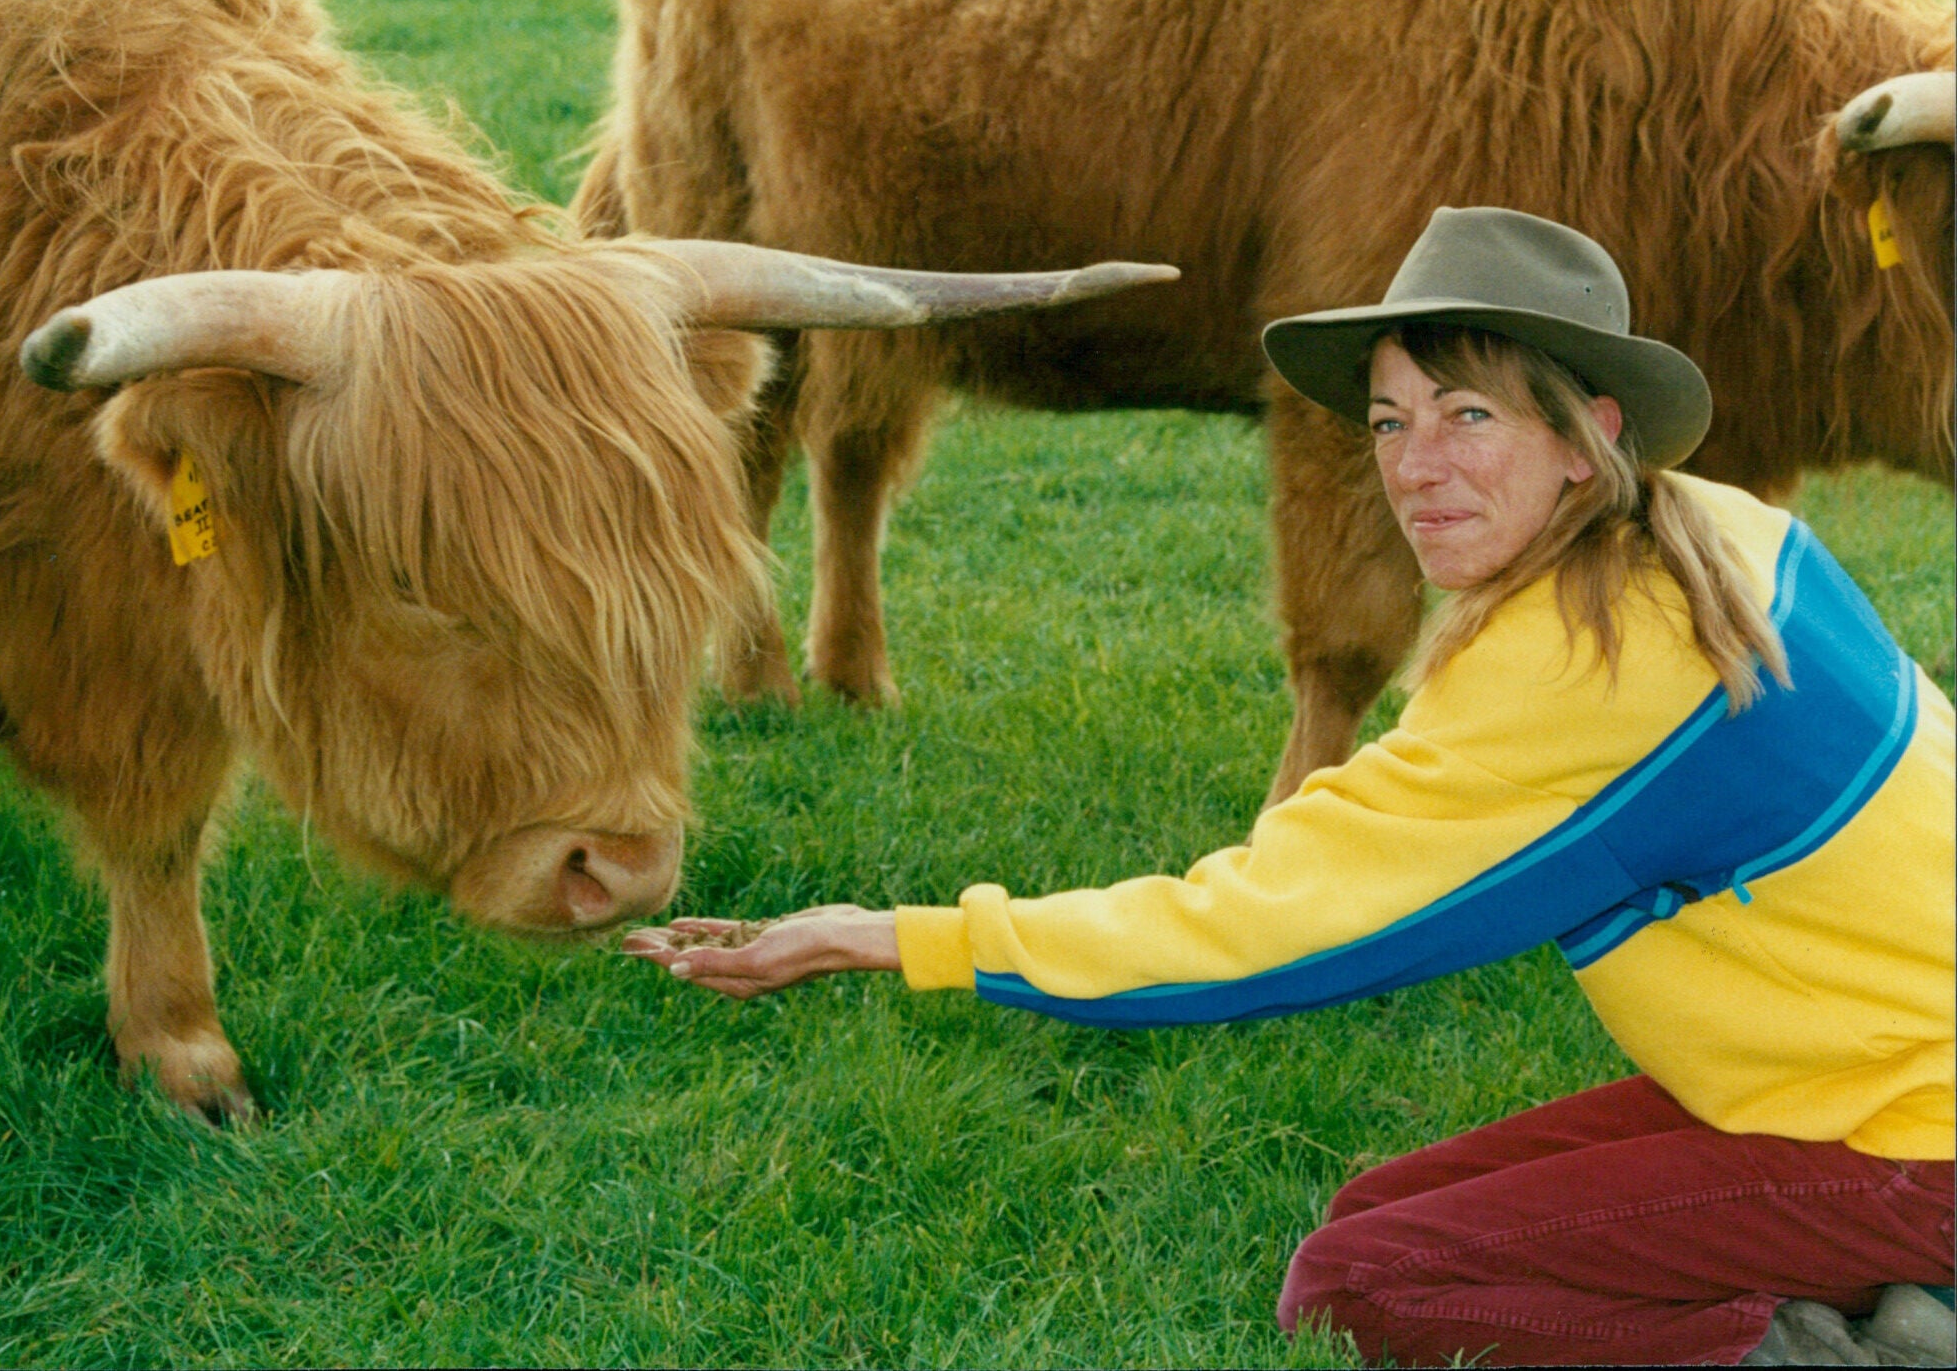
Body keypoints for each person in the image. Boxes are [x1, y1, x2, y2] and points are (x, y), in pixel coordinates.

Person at [625, 207, 1955, 1367]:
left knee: (1364, 1287)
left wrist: (900, 937)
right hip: (1843, 1081)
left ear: (1583, 433)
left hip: (1912, 1138)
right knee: (1371, 1213)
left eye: (1468, 416)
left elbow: (1266, 926)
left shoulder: (1588, 669)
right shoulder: (1729, 530)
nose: (1413, 466)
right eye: (1391, 420)